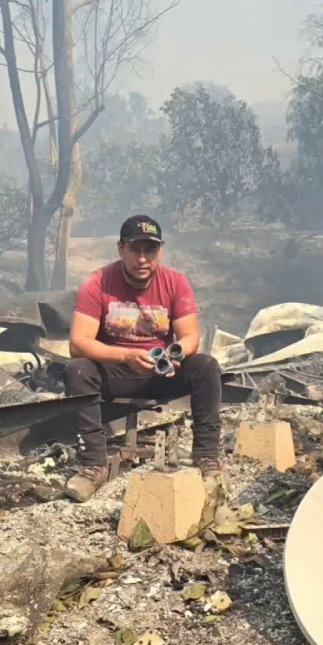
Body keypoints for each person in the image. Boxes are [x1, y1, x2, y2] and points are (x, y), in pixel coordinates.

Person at [63, 215, 224, 502]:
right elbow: (78, 343)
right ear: (120, 248)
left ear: (160, 251)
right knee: (77, 370)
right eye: (134, 249)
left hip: (161, 373)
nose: (142, 259)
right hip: (115, 371)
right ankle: (93, 466)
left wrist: (176, 353)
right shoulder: (97, 283)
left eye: (149, 250)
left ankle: (207, 457)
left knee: (206, 366)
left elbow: (190, 337)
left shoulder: (175, 282)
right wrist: (125, 355)